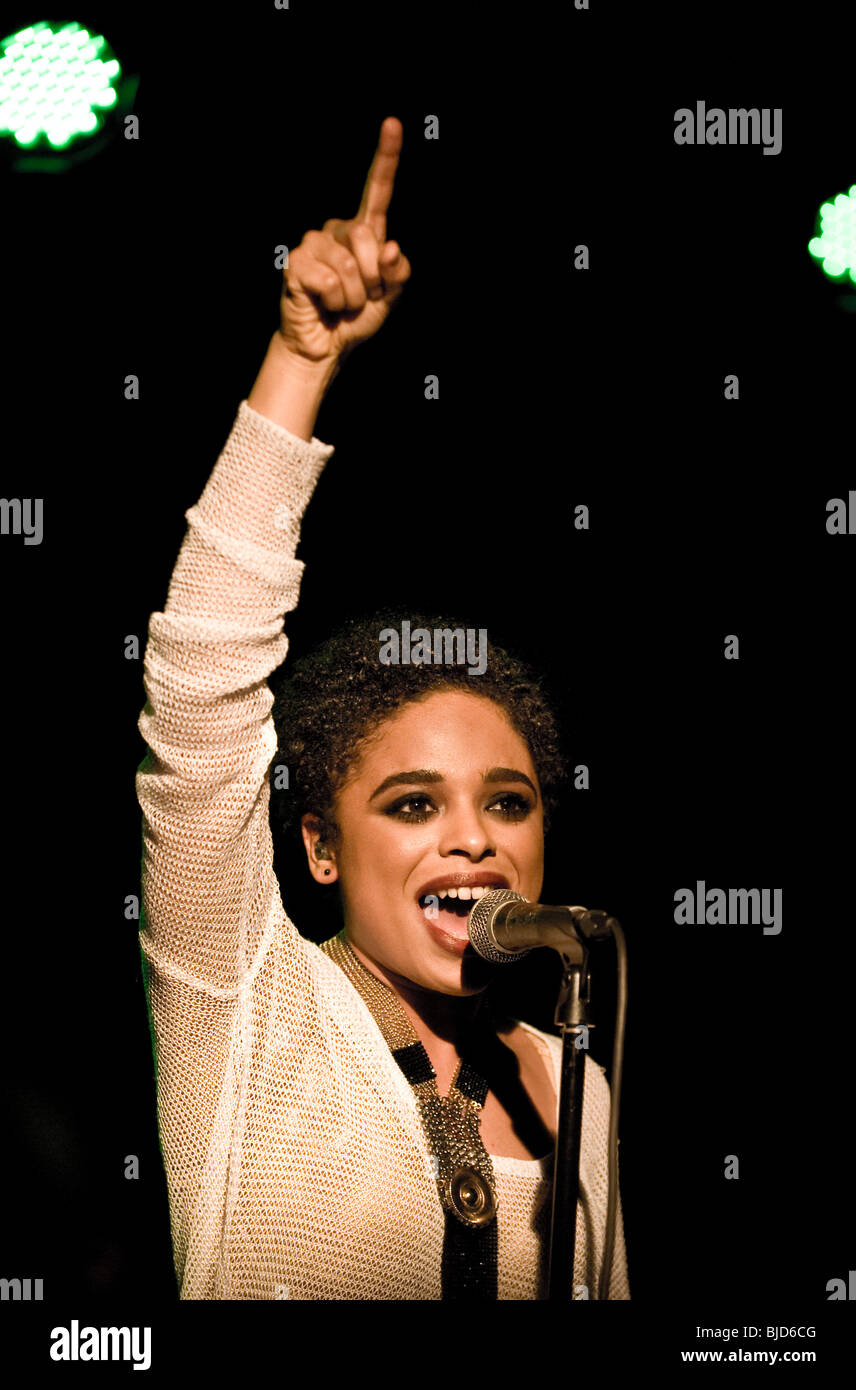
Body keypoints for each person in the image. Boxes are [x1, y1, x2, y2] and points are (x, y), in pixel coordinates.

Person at [136, 115, 630, 1300]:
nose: (475, 836)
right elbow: (200, 675)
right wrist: (301, 361)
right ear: (315, 846)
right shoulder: (244, 993)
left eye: (506, 800)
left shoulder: (575, 1082)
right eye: (412, 802)